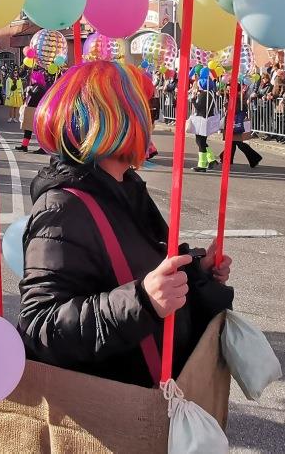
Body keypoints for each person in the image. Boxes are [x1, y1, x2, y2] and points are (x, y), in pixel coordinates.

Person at [20, 61, 233, 388]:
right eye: (144, 110)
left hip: (157, 383)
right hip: (115, 402)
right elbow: (40, 326)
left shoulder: (125, 186)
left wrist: (196, 271)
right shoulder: (62, 209)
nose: (150, 121)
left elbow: (138, 267)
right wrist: (143, 301)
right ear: (115, 120)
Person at [221, 87, 262, 168]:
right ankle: (227, 159)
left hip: (236, 123)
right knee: (233, 143)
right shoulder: (235, 97)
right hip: (234, 122)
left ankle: (255, 158)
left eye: (230, 89)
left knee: (237, 143)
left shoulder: (237, 98)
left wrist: (226, 105)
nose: (229, 91)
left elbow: (236, 109)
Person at [188, 75, 221, 173]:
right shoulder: (211, 94)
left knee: (200, 142)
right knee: (201, 142)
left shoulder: (203, 95)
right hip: (206, 119)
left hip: (202, 120)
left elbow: (199, 107)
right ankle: (212, 160)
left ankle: (202, 165)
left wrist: (193, 100)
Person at [16, 70, 47, 153]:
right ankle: (24, 145)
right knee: (27, 129)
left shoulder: (40, 88)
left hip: (35, 110)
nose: (31, 79)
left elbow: (35, 97)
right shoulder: (35, 86)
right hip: (30, 109)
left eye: (33, 78)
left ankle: (43, 148)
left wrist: (29, 91)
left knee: (37, 130)